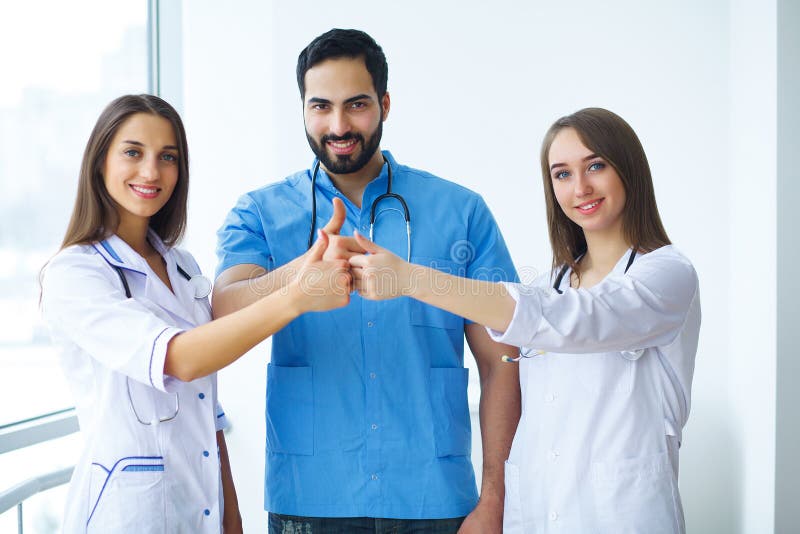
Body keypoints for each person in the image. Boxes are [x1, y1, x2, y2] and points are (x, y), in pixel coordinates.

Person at [213, 29, 520, 533]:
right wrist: (301, 275)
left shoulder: (462, 211)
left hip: (435, 498)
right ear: (303, 110)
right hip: (311, 496)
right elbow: (225, 310)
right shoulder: (259, 214)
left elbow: (502, 357)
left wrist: (494, 500)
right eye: (321, 107)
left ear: (384, 104)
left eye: (356, 105)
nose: (338, 125)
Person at [350, 107, 701, 533]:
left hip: (620, 515)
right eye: (562, 174)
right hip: (537, 513)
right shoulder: (557, 280)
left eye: (595, 166)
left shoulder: (666, 274)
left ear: (629, 169)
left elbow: (579, 319)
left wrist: (410, 278)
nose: (581, 187)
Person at [40, 94, 350, 533]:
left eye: (168, 157)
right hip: (128, 516)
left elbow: (207, 406)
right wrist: (297, 297)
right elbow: (181, 359)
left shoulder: (180, 265)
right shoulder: (76, 272)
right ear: (99, 162)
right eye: (133, 152)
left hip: (202, 508)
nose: (151, 172)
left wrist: (232, 514)